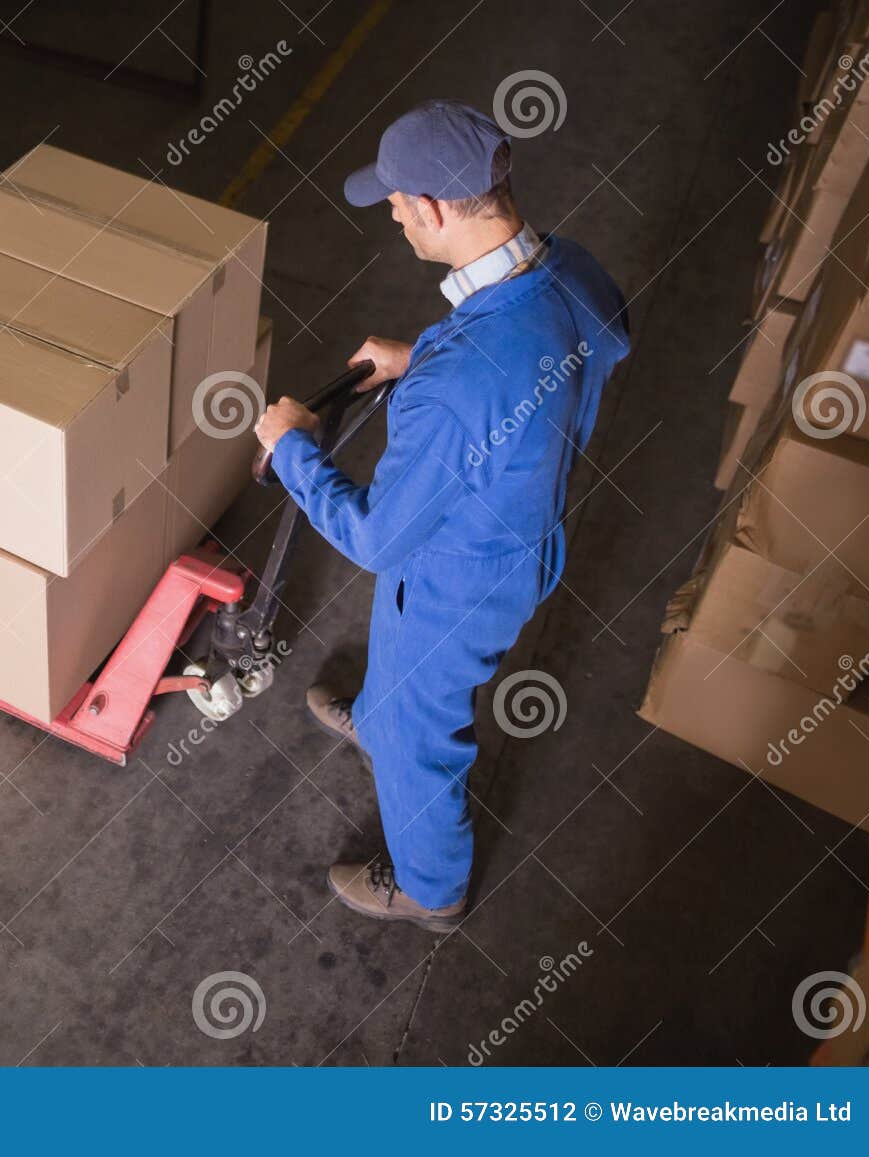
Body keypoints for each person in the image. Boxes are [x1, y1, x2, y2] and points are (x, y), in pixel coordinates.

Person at [254, 99, 629, 932]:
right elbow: (535, 345)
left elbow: (375, 536)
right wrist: (419, 351)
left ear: (429, 208)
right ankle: (384, 716)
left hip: (454, 579)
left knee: (424, 733)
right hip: (518, 523)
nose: (390, 212)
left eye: (393, 199)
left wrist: (290, 450)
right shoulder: (572, 269)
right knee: (401, 685)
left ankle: (431, 887)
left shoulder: (454, 393)